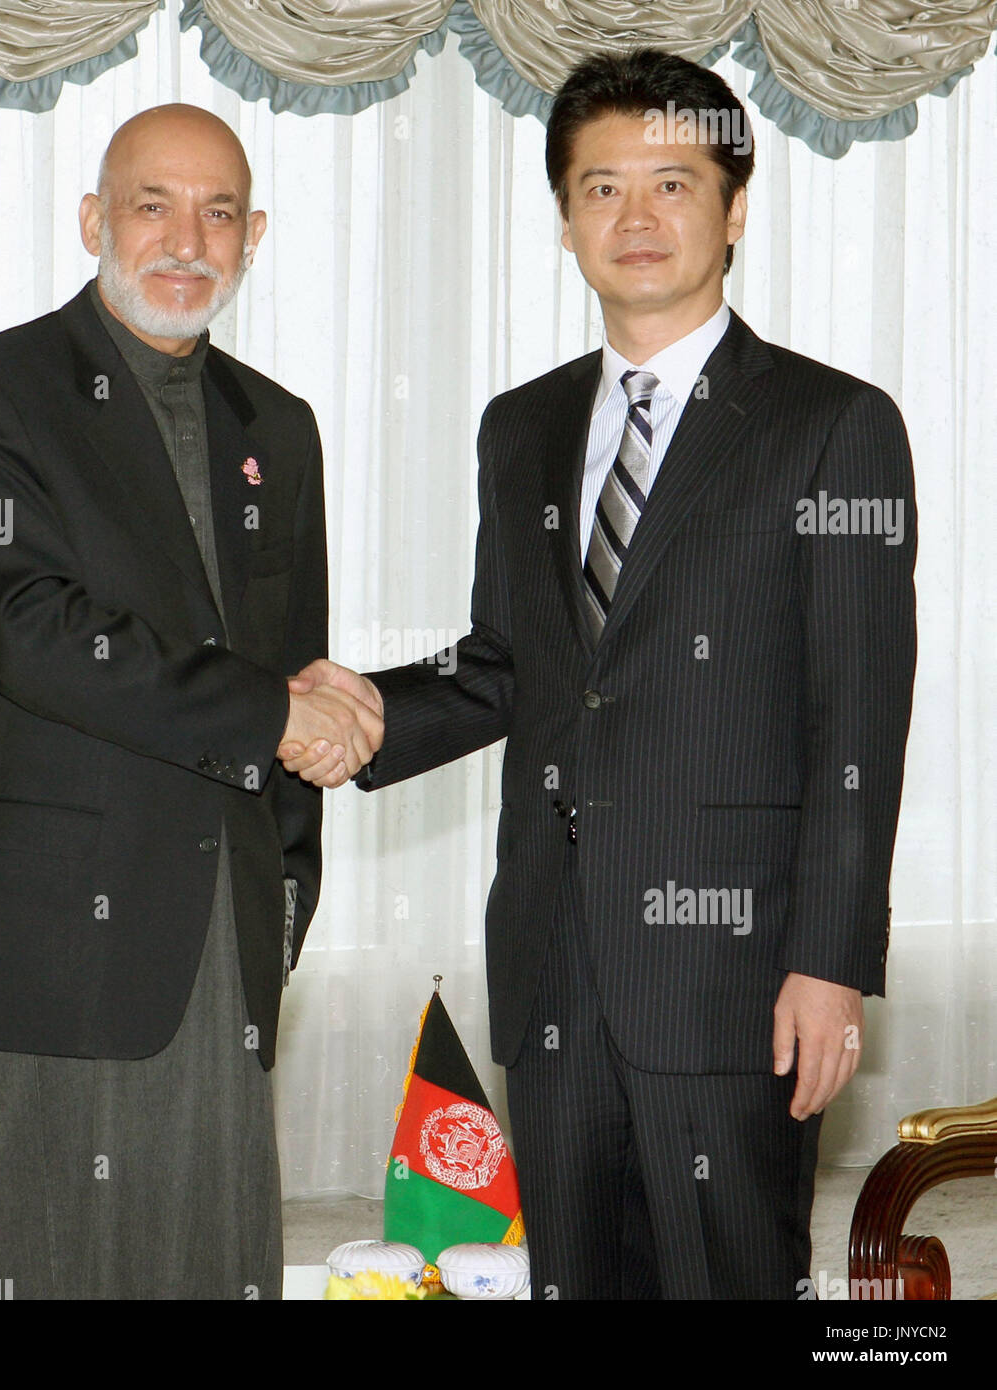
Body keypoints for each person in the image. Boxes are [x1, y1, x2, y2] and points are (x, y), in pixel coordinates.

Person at [280, 50, 917, 1299]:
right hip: (553, 964)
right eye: (601, 187)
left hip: (737, 979)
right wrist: (362, 712)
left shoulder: (833, 425)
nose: (637, 217)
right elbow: (511, 664)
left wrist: (833, 963)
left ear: (735, 209)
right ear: (566, 220)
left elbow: (860, 715)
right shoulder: (521, 427)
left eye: (673, 184)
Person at [0, 104, 382, 1301]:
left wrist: (283, 905)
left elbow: (294, 675)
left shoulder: (280, 429)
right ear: (94, 219)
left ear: (254, 237)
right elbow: (31, 633)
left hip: (217, 954)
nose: (186, 240)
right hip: (32, 945)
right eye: (153, 205)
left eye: (219, 213)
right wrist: (273, 714)